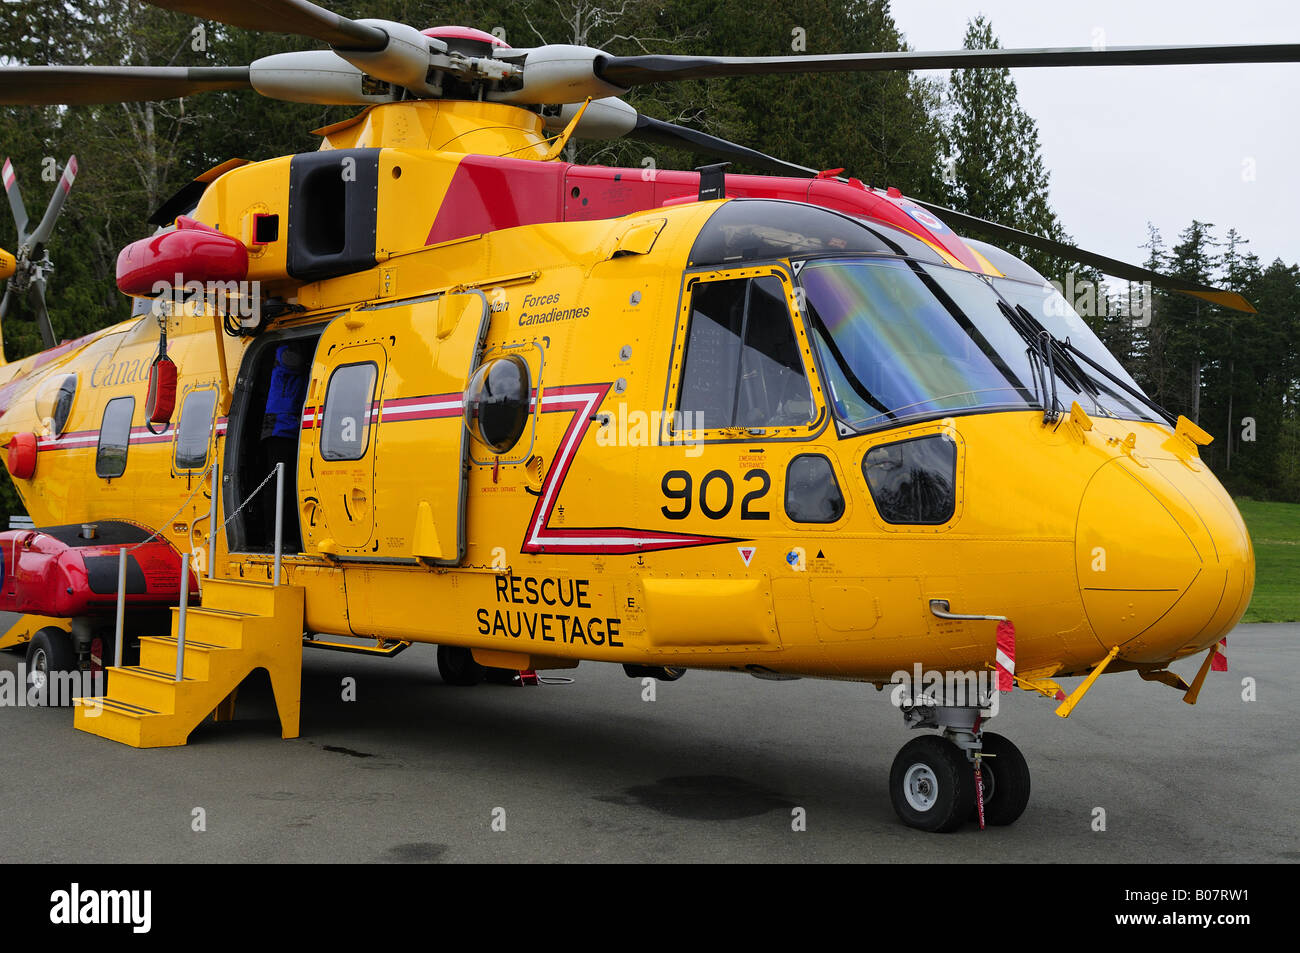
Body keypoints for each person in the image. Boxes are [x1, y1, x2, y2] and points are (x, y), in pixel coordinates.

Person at [261, 343, 309, 551]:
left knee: (291, 487)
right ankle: (273, 538)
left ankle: (290, 535)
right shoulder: (285, 354)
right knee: (277, 487)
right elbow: (291, 361)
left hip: (295, 430)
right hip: (279, 430)